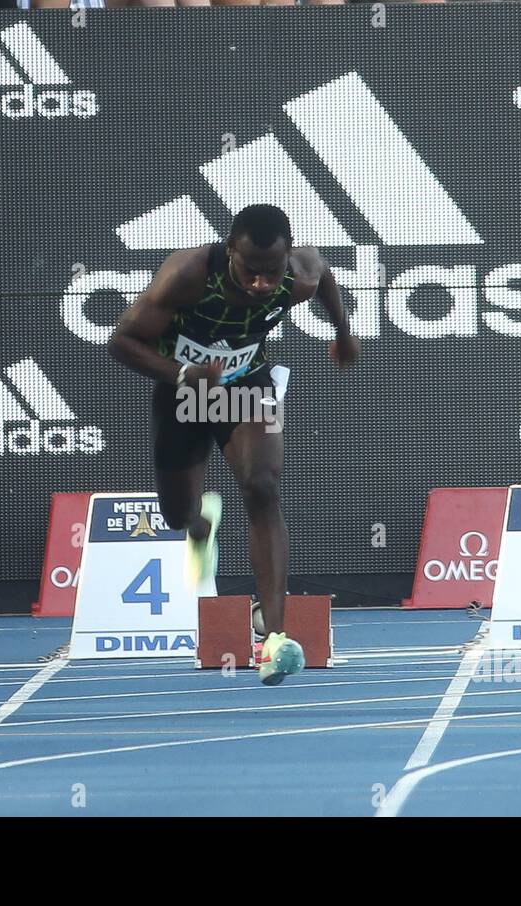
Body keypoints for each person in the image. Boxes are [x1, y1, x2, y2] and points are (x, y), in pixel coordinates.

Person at [108, 204, 357, 684]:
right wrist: (184, 373)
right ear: (229, 252)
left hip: (246, 387)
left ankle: (275, 635)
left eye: (272, 272)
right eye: (251, 272)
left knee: (263, 486)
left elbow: (322, 272)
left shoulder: (296, 276)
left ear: (286, 259)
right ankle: (200, 526)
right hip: (183, 389)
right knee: (176, 513)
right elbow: (122, 341)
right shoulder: (187, 274)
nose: (263, 284)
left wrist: (343, 332)